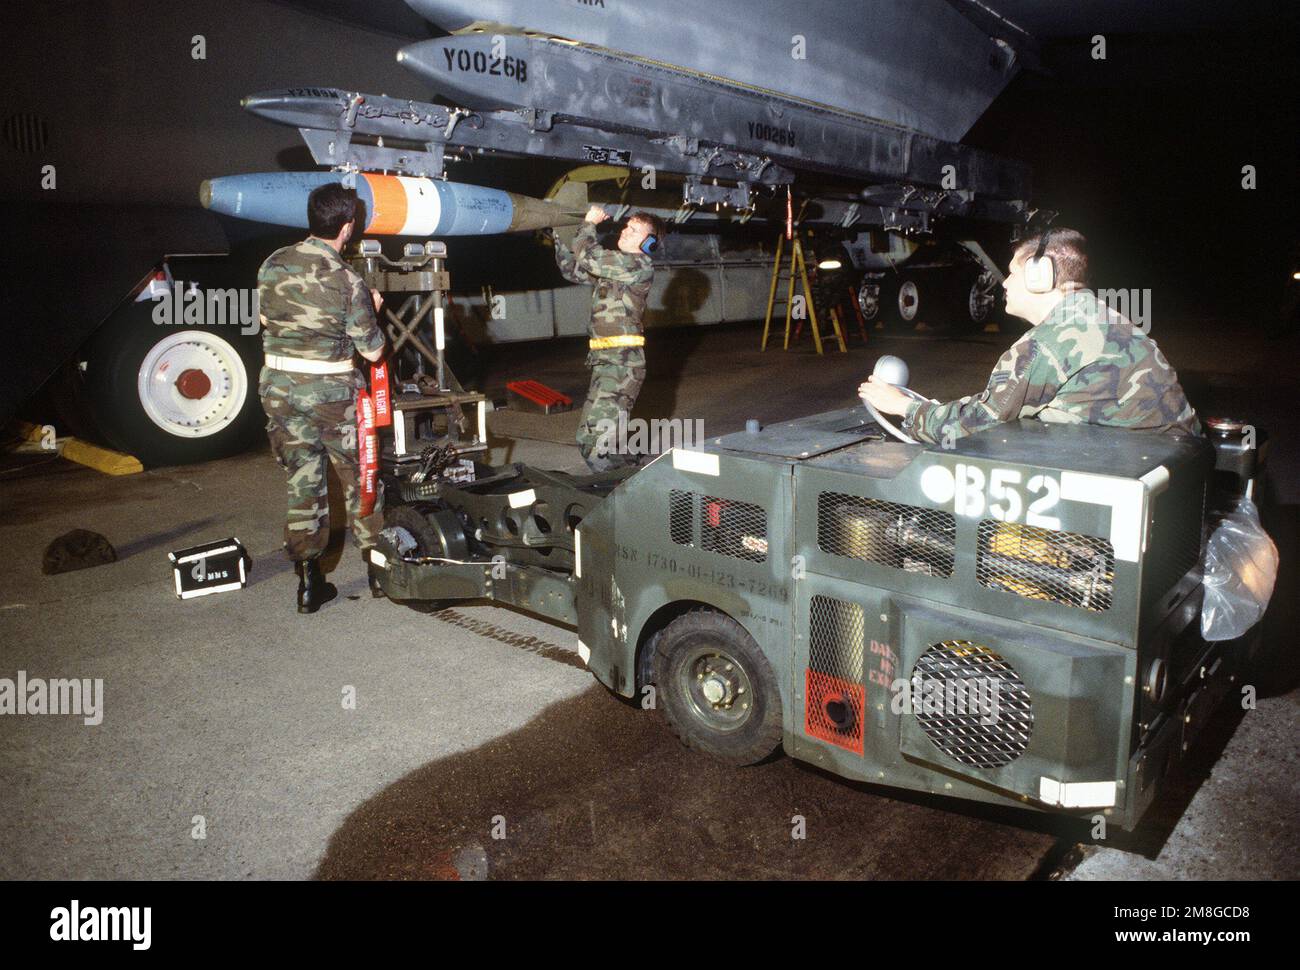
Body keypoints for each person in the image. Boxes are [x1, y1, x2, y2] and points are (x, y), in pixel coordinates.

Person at [859, 228, 1200, 443]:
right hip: (1166, 464)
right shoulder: (1094, 314)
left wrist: (905, 407)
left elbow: (975, 424)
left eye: (1012, 274)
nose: (1004, 284)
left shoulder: (1050, 343)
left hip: (1135, 472)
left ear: (1041, 277)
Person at [257, 183, 387, 613]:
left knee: (303, 482)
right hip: (332, 395)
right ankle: (378, 571)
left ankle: (309, 584)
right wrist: (373, 307)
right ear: (347, 227)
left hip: (279, 390)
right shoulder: (347, 279)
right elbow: (372, 351)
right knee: (361, 479)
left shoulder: (272, 263)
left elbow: (264, 317)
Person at [554, 206, 663, 471]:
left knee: (596, 444)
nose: (625, 231)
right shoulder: (614, 267)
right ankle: (625, 479)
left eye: (633, 230)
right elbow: (573, 269)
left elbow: (590, 257)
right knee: (592, 439)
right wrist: (558, 236)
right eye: (626, 227)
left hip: (622, 366)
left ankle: (621, 491)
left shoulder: (638, 265)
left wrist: (589, 224)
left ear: (648, 243)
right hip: (607, 363)